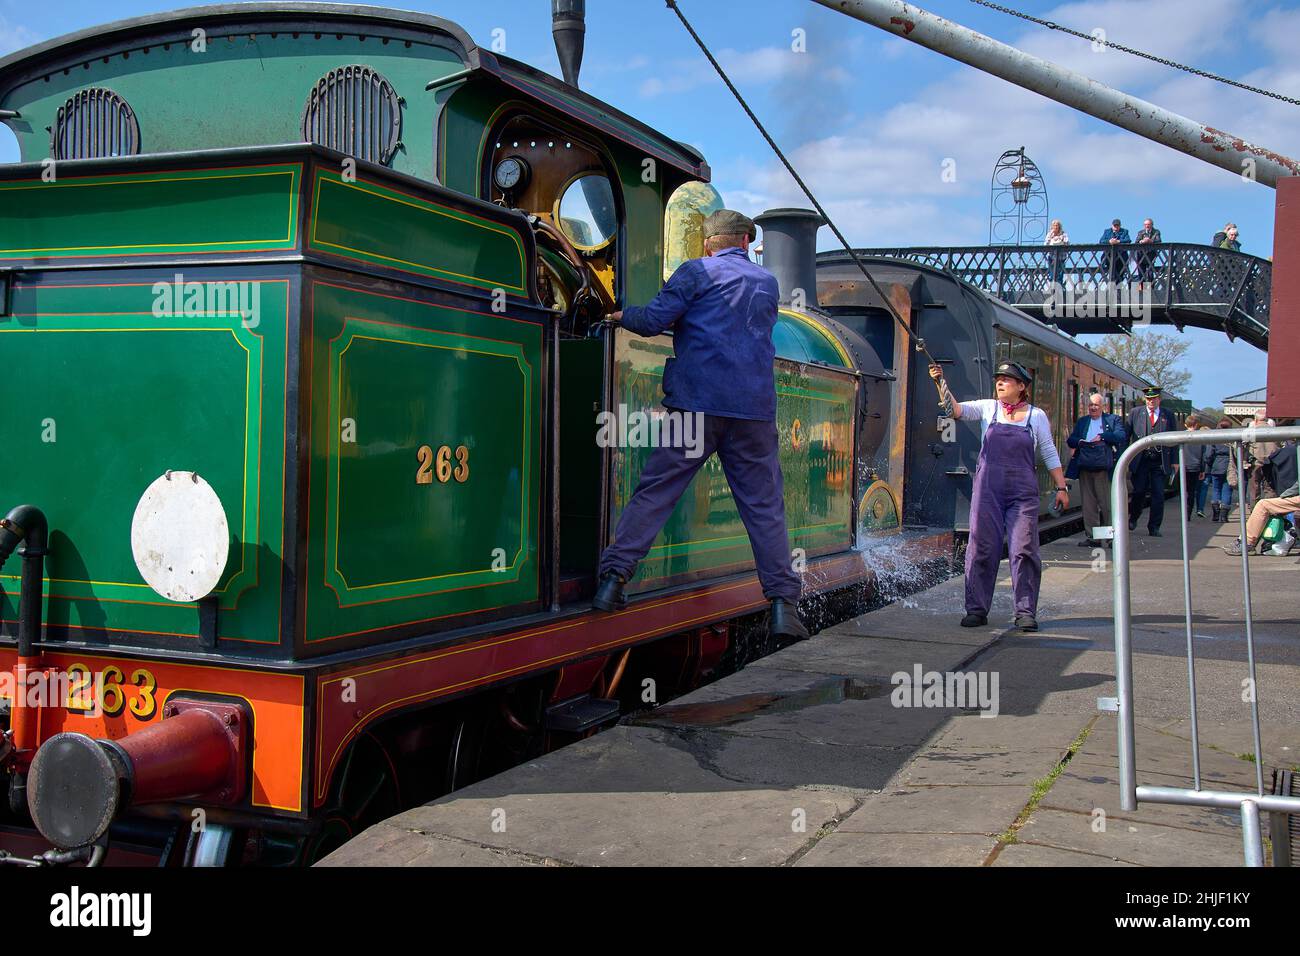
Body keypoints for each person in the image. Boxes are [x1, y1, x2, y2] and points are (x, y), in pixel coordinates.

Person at [592, 209, 807, 640]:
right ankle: (783, 607)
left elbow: (653, 320)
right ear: (746, 241)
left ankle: (613, 581)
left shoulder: (694, 272)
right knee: (764, 508)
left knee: (657, 491)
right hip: (752, 414)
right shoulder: (767, 283)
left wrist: (619, 317)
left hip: (696, 408)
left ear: (707, 243)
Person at [929, 361, 1069, 632]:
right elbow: (954, 410)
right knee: (982, 547)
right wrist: (940, 382)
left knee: (1024, 549)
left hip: (1023, 494)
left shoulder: (1036, 416)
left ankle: (1025, 612)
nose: (1000, 382)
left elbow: (1049, 453)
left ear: (1022, 386)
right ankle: (976, 610)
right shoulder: (988, 408)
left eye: (1007, 379)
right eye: (999, 379)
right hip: (988, 492)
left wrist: (1061, 488)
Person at [1065, 391, 1126, 546]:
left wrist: (1103, 436)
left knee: (1106, 504)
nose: (1093, 408)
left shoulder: (1112, 420)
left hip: (1104, 468)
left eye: (1096, 405)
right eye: (1090, 405)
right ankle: (1094, 537)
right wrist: (1080, 441)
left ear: (1103, 406)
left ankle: (1110, 537)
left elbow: (1120, 436)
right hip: (1085, 466)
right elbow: (1071, 440)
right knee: (1089, 504)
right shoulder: (1083, 421)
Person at [1126, 385, 1177, 536]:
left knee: (1158, 495)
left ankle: (1154, 526)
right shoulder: (1136, 413)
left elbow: (1174, 439)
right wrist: (1124, 457)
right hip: (1141, 460)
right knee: (1139, 491)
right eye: (1148, 399)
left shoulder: (1168, 415)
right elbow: (1126, 435)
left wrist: (1175, 461)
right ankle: (1133, 517)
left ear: (1159, 400)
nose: (1151, 402)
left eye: (1153, 399)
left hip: (1159, 460)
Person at [1202, 419, 1236, 522]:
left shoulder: (1214, 437)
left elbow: (1208, 455)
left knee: (1216, 489)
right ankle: (1224, 516)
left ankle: (1216, 515)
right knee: (1227, 490)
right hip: (1229, 466)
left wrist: (1210, 464)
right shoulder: (1233, 438)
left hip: (1216, 466)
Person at [1181, 420, 1209, 521]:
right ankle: (1188, 514)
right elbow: (1203, 455)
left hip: (1183, 466)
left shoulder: (1180, 436)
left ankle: (1184, 512)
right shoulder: (1200, 437)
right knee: (1191, 491)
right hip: (1195, 467)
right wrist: (1202, 470)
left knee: (1183, 491)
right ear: (1196, 425)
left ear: (1185, 424)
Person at [1099, 218, 1131, 285]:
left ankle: (1118, 289)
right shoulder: (1107, 231)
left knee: (1120, 274)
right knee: (1110, 273)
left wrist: (1118, 241)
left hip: (1121, 257)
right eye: (1114, 225)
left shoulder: (1125, 231)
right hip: (1109, 257)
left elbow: (1128, 240)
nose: (1116, 227)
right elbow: (1101, 241)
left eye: (1117, 225)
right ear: (1112, 225)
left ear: (1120, 226)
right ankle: (1111, 287)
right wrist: (1109, 241)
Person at [1134, 218, 1161, 289]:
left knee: (1150, 271)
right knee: (1141, 271)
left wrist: (1150, 241)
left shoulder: (1156, 232)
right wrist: (1142, 241)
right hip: (1141, 254)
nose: (1147, 226)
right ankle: (1142, 287)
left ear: (1152, 225)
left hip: (1151, 254)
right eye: (1145, 225)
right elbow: (1136, 242)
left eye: (1148, 224)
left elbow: (1158, 241)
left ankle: (1151, 287)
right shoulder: (1141, 232)